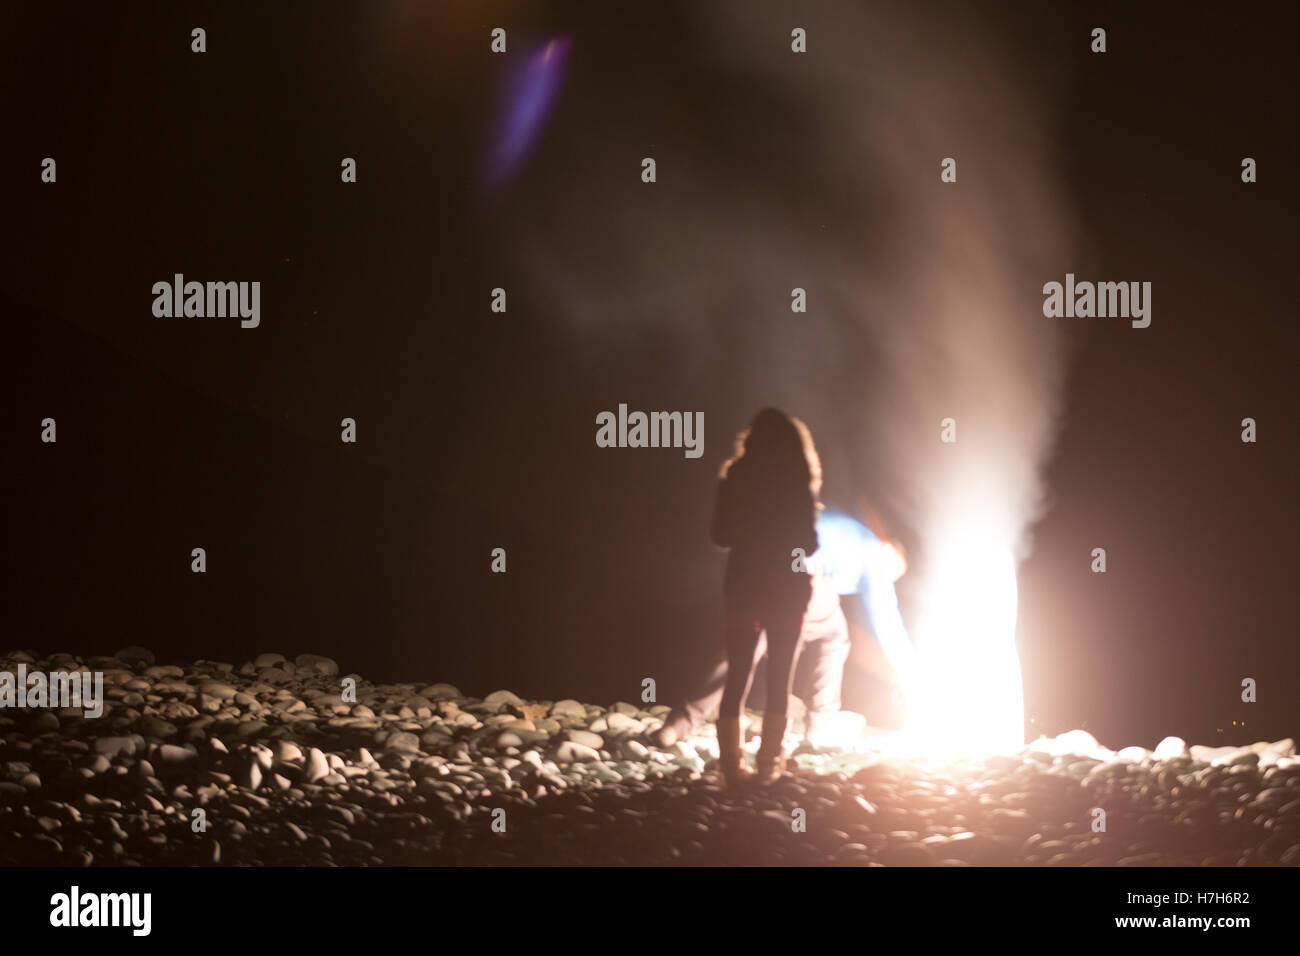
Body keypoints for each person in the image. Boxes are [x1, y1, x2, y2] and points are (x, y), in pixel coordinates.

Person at [654, 507, 915, 750]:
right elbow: (886, 618)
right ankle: (818, 728)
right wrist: (910, 672)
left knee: (748, 645)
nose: (887, 580)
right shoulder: (876, 552)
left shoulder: (848, 530)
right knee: (833, 636)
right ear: (889, 548)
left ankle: (679, 724)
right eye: (892, 574)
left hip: (760, 566)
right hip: (800, 571)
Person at [708, 408, 822, 785]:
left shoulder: (735, 478)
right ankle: (768, 764)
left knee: (737, 676)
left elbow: (720, 536)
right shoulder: (797, 480)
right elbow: (809, 543)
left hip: (743, 584)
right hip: (787, 589)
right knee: (780, 681)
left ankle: (730, 766)